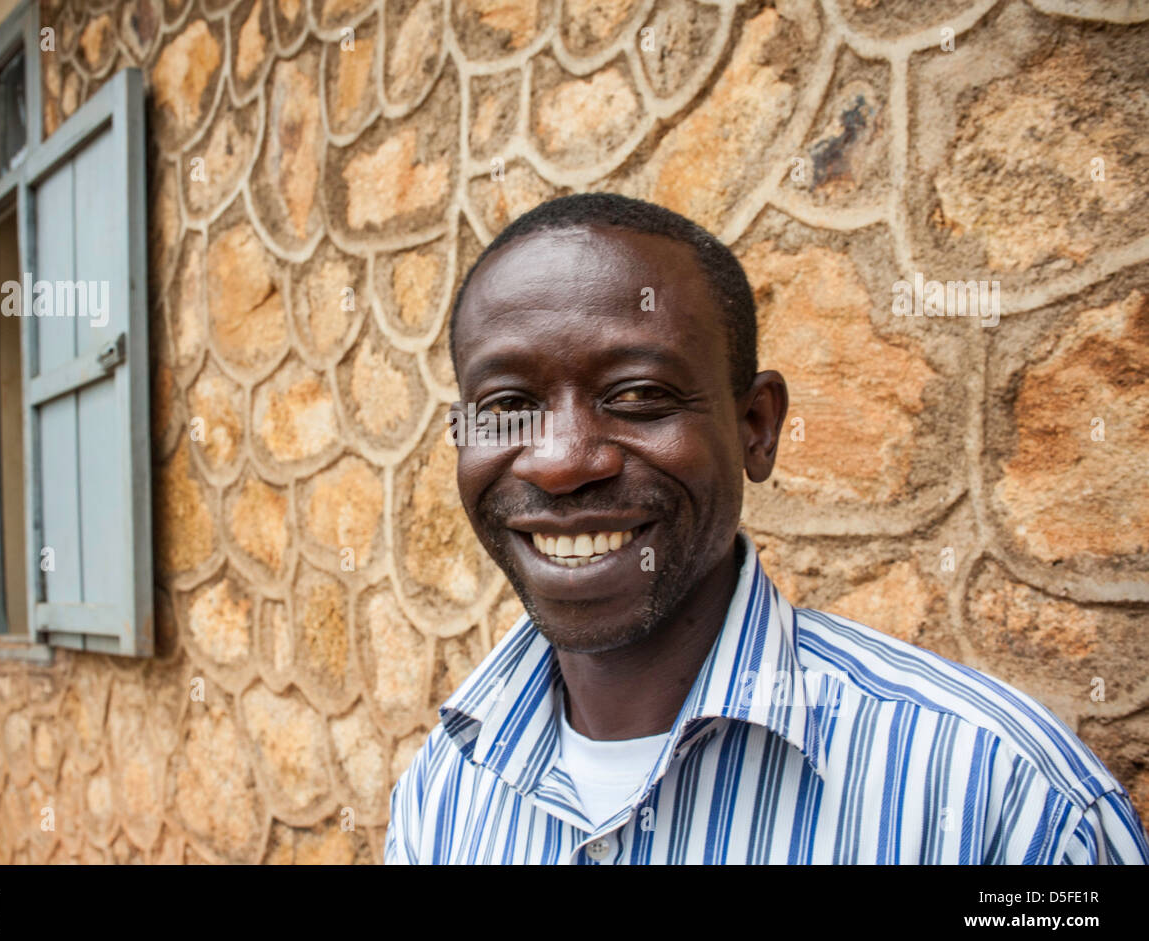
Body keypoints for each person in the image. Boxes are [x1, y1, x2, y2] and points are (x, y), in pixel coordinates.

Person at [383, 192, 1149, 864]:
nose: (561, 463)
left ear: (756, 426)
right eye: (508, 406)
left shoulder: (1004, 800)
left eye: (639, 393)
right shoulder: (442, 791)